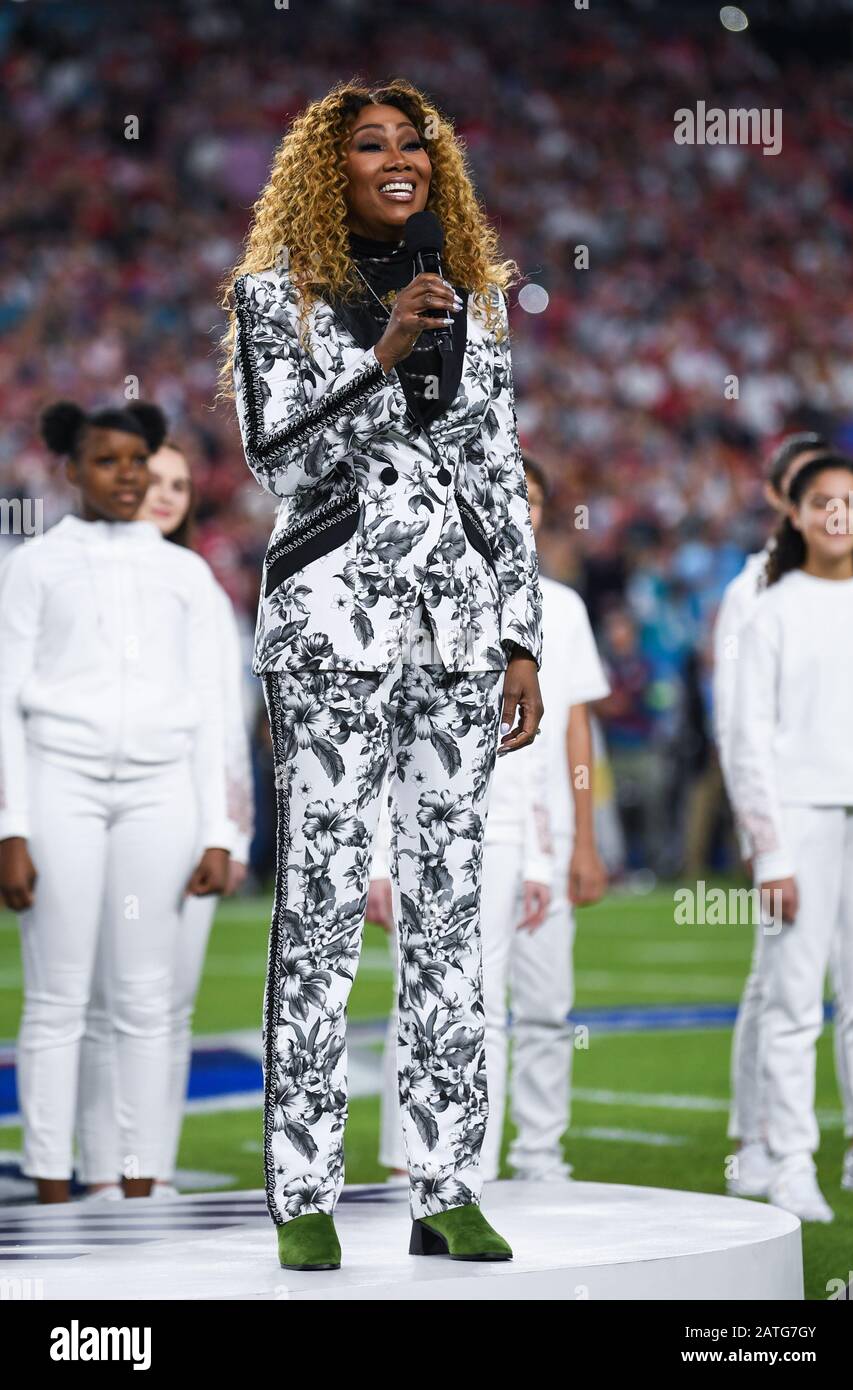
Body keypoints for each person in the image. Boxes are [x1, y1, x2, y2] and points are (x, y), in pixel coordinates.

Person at [218, 78, 544, 1271]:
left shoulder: (479, 302)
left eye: (414, 142)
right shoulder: (276, 297)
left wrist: (520, 636)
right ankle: (304, 1188)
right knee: (319, 902)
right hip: (330, 628)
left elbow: (498, 471)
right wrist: (386, 352)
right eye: (370, 145)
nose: (397, 157)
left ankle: (444, 1180)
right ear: (328, 167)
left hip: (456, 634)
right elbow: (273, 452)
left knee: (448, 911)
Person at [0, 401, 234, 1204]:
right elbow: (3, 700)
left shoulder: (186, 574)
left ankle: (136, 1182)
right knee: (59, 997)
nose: (129, 476)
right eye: (108, 462)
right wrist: (11, 825)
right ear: (71, 470)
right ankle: (51, 1187)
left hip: (160, 793)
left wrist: (219, 830)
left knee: (143, 999)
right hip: (58, 781)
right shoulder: (33, 565)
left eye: (138, 461)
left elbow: (212, 703)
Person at [371, 455, 608, 1185]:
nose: (520, 511)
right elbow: (386, 732)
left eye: (531, 500)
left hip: (534, 825)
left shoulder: (560, 607)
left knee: (532, 1004)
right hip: (440, 821)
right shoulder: (416, 591)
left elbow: (568, 731)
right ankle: (408, 1162)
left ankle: (526, 1156)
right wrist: (380, 856)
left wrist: (575, 842)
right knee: (430, 992)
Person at [74, 439, 255, 1199]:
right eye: (152, 478)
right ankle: (95, 1168)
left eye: (180, 483)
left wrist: (230, 830)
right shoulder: (78, 573)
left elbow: (233, 717)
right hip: (101, 809)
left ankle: (153, 1166)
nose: (165, 492)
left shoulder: (202, 590)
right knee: (100, 1000)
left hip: (187, 820)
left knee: (170, 1005)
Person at [712, 432, 853, 1201]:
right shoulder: (768, 604)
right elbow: (744, 733)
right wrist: (766, 847)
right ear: (795, 514)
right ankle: (788, 1159)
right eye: (824, 504)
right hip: (799, 814)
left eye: (851, 504)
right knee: (793, 996)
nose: (840, 516)